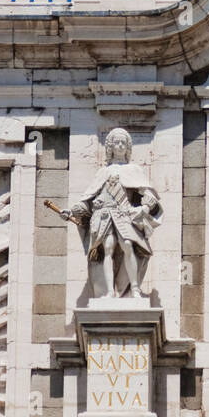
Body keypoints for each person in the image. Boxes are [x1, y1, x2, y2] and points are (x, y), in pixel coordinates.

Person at [62, 128, 161, 300]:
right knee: (107, 248)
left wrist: (143, 208)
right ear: (111, 146)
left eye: (124, 142)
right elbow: (89, 199)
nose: (120, 145)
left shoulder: (134, 170)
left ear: (128, 146)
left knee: (128, 244)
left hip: (124, 214)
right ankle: (109, 291)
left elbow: (150, 195)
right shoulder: (103, 172)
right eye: (117, 142)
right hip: (105, 216)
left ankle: (135, 289)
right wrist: (71, 211)